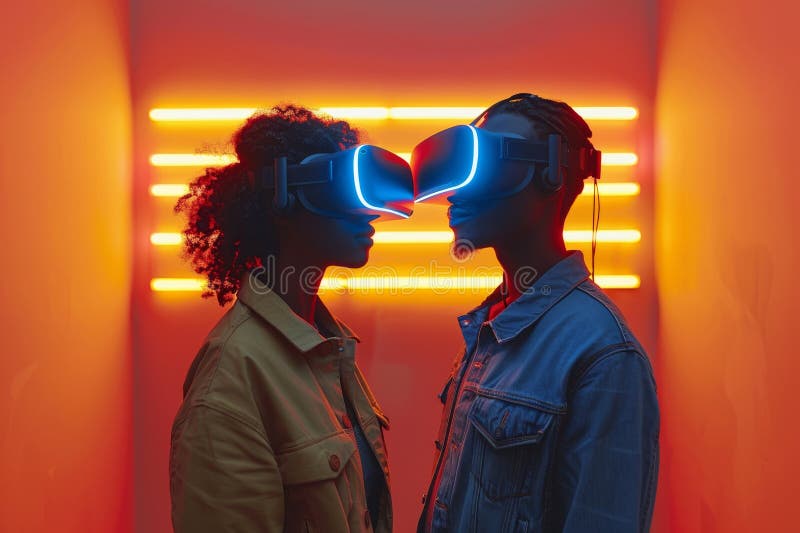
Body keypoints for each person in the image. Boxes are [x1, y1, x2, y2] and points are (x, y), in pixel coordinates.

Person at [412, 93, 660, 532]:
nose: (459, 189)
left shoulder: (603, 355)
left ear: (550, 174)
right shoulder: (489, 324)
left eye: (486, 165)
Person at [169, 104, 412, 532]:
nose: (371, 212)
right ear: (282, 197)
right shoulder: (231, 376)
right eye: (344, 190)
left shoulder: (328, 348)